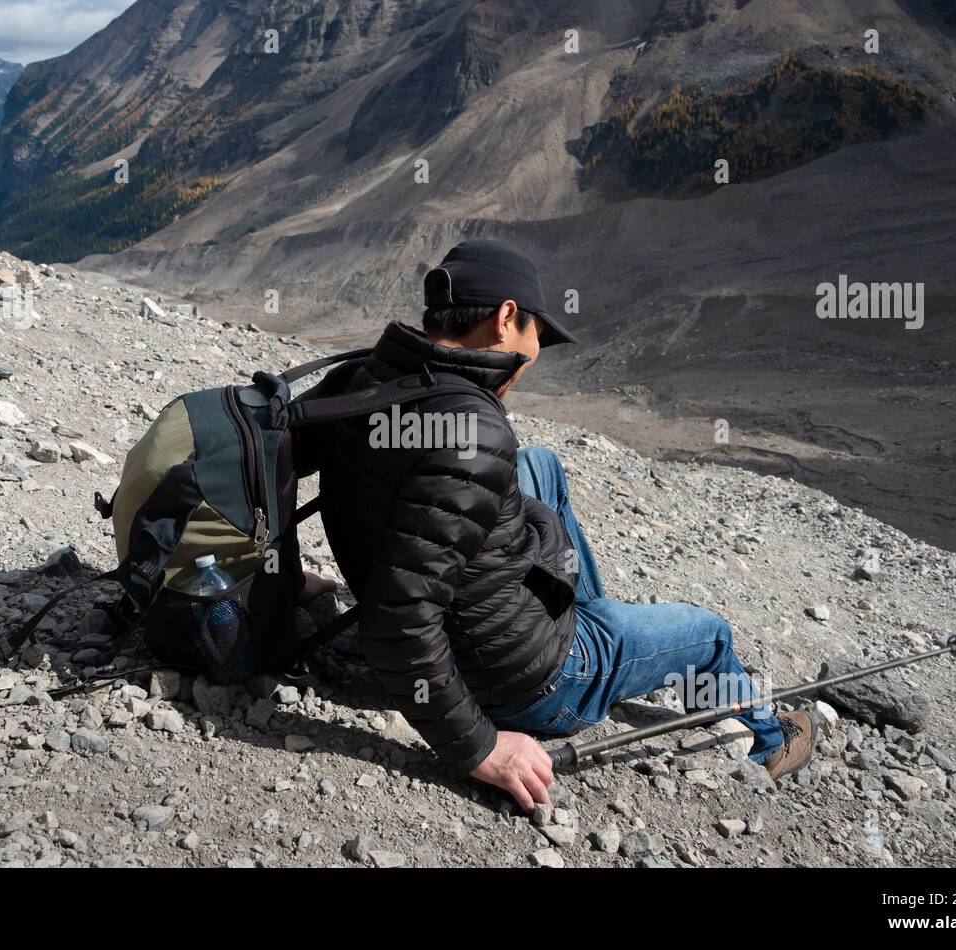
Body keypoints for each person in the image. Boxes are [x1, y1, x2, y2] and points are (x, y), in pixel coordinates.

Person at [314, 238, 814, 810]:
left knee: (540, 465)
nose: (537, 353)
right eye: (538, 335)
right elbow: (400, 619)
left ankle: (592, 616)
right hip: (521, 684)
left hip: (472, 620)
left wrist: (285, 582)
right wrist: (479, 747)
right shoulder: (473, 429)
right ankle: (770, 740)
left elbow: (287, 461)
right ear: (506, 318)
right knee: (711, 635)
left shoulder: (366, 378)